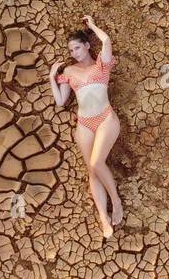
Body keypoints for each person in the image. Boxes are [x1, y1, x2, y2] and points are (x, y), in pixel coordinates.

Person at [49, 15, 123, 237]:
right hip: (84, 123)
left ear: (87, 46)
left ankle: (116, 201)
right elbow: (61, 102)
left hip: (105, 118)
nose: (74, 54)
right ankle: (103, 217)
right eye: (71, 51)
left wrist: (92, 26)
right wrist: (52, 78)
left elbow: (107, 40)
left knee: (97, 161)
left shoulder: (102, 64)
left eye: (77, 48)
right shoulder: (69, 72)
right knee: (91, 169)